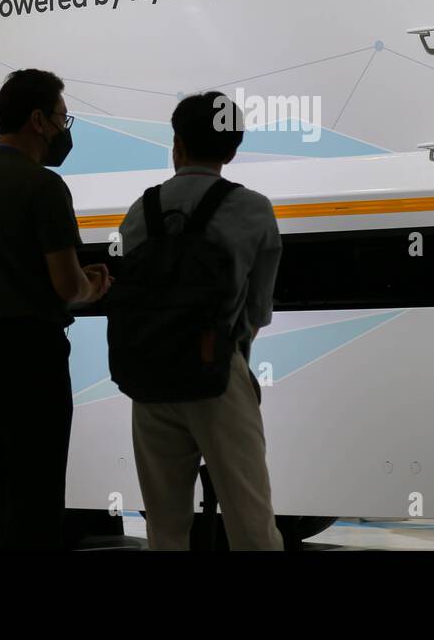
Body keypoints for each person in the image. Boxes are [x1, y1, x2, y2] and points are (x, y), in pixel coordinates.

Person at [0, 68, 110, 550]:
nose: (66, 128)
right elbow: (65, 284)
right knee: (36, 484)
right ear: (38, 120)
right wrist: (94, 286)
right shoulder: (43, 187)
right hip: (31, 352)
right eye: (63, 117)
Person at [119, 91, 284, 550]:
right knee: (250, 522)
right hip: (216, 376)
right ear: (232, 151)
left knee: (165, 528)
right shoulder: (252, 209)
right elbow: (257, 312)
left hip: (150, 380)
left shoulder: (140, 211)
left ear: (177, 144)